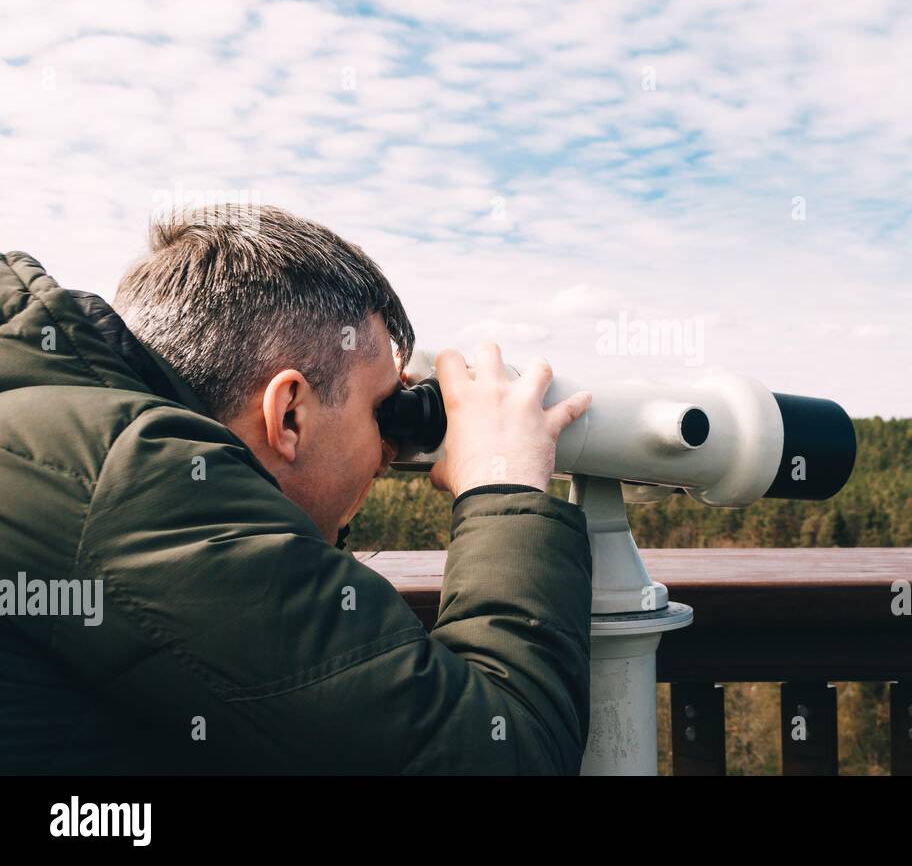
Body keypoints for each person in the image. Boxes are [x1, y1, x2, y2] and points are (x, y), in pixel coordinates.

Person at [0, 204, 594, 774]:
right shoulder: (141, 483)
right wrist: (503, 484)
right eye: (380, 410)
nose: (388, 451)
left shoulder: (62, 427)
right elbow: (505, 752)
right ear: (288, 415)